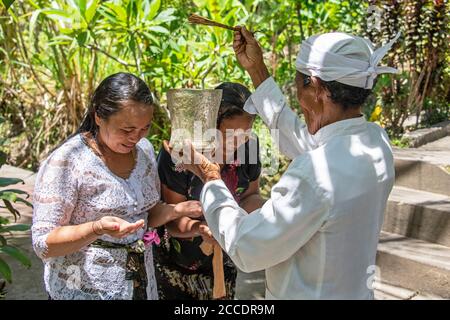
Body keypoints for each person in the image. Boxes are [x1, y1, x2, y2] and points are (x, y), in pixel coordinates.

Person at [168, 28, 400, 299]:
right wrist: (257, 70)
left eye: (298, 85)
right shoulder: (374, 141)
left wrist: (211, 178)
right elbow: (303, 140)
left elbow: (247, 247)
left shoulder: (315, 175)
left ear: (315, 87)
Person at [32, 72, 203, 300]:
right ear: (99, 116)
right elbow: (44, 243)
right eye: (126, 129)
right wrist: (96, 228)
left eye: (145, 128)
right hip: (82, 290)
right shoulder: (67, 162)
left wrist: (176, 211)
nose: (136, 137)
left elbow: (144, 216)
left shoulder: (144, 152)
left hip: (140, 286)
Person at [154, 82, 265, 300]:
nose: (238, 143)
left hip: (224, 259)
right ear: (209, 125)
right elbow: (171, 219)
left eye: (245, 134)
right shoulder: (180, 153)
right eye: (230, 135)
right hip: (177, 265)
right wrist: (201, 228)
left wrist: (269, 211)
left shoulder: (250, 147)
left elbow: (250, 196)